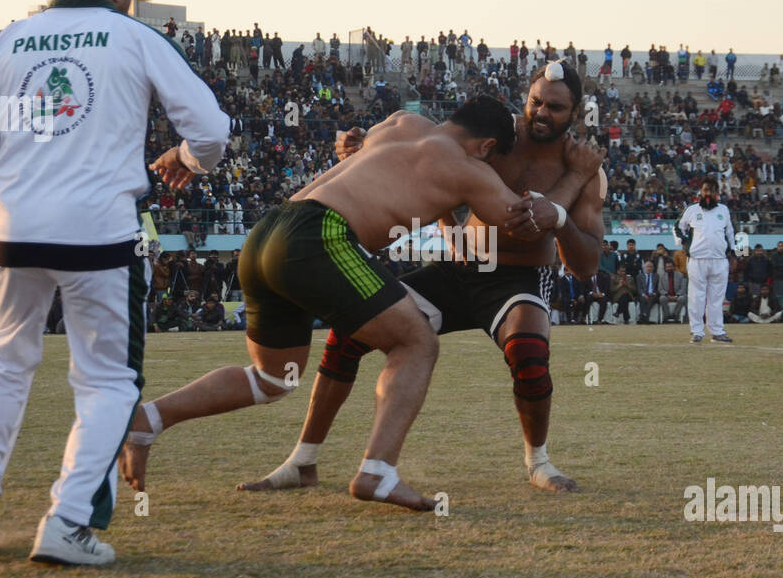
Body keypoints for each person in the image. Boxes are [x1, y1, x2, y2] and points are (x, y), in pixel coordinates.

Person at [0, 0, 230, 566]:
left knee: (4, 360)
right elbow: (212, 129)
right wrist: (185, 158)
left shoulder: (8, 40)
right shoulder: (138, 38)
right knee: (106, 381)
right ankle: (66, 522)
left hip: (13, 227)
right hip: (98, 232)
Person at [119, 95, 542, 513]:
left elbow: (364, 154)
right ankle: (376, 472)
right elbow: (524, 222)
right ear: (487, 147)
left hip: (270, 230)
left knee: (273, 377)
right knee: (417, 343)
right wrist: (576, 181)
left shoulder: (401, 124)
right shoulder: (469, 169)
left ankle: (149, 419)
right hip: (320, 236)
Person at [236, 62, 606, 496]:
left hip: (519, 278)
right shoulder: (496, 136)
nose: (542, 112)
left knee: (527, 351)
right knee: (347, 334)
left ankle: (539, 462)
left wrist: (570, 197)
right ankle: (303, 460)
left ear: (577, 112)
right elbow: (426, 153)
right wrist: (364, 146)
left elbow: (585, 266)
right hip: (461, 267)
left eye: (556, 107)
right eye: (535, 101)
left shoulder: (585, 168)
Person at [677, 176, 738, 343]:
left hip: (720, 260)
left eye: (711, 190)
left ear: (716, 192)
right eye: (705, 190)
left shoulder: (723, 210)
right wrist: (683, 244)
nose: (708, 193)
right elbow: (678, 227)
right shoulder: (692, 210)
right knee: (696, 297)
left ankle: (717, 332)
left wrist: (735, 254)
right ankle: (697, 331)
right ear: (700, 192)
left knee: (716, 299)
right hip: (697, 260)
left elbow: (731, 233)